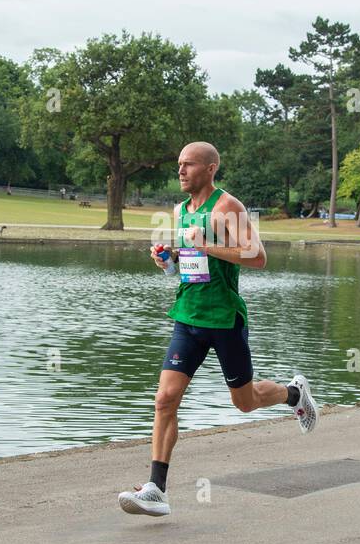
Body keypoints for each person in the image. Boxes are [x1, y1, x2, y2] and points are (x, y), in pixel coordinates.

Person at [117, 141, 319, 518]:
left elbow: (258, 257)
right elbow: (189, 260)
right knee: (164, 399)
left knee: (243, 402)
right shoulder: (181, 210)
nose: (181, 171)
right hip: (188, 315)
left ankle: (293, 394)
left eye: (189, 165)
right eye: (179, 164)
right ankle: (155, 489)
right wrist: (169, 261)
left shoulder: (228, 208)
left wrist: (207, 245)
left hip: (224, 319)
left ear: (210, 169)